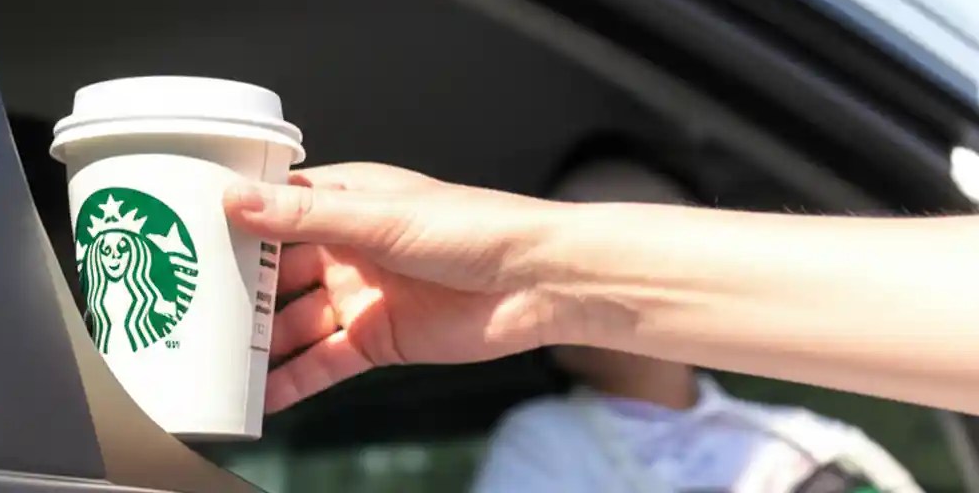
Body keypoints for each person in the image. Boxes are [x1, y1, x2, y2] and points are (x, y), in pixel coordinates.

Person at [221, 162, 979, 420]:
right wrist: (542, 276)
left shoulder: (817, 452)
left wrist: (542, 268)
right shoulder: (547, 452)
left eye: (660, 226)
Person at [469, 157, 919, 492]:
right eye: (559, 258)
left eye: (626, 246)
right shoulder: (543, 440)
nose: (582, 274)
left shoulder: (815, 444)